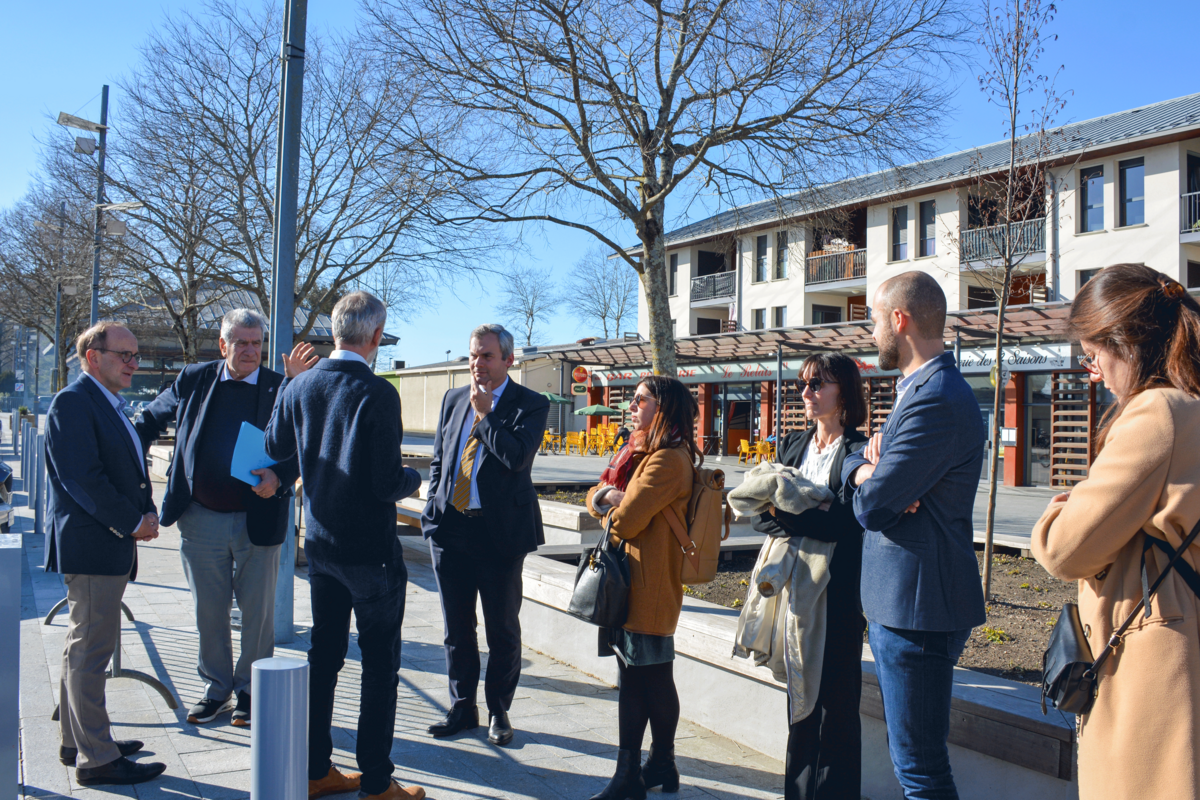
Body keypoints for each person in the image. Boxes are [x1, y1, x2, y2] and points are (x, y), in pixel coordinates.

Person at [1032, 264, 1200, 799]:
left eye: (1094, 355)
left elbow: (1064, 550)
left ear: (1126, 343)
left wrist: (1058, 509)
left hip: (1151, 661)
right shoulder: (1192, 406)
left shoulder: (1156, 413)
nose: (1093, 372)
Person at [264, 291, 425, 800]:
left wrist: (288, 385)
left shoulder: (300, 386)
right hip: (371, 554)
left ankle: (316, 770)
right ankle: (376, 781)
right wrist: (415, 477)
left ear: (333, 331)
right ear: (375, 336)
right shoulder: (378, 392)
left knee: (324, 657)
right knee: (379, 666)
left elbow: (273, 446)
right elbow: (385, 482)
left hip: (322, 547)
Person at [842, 271, 986, 800]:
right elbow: (858, 464)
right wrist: (866, 469)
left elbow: (873, 507)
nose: (871, 332)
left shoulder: (937, 397)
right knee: (913, 763)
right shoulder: (918, 390)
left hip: (918, 610)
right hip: (903, 605)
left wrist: (874, 483)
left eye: (874, 320)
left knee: (920, 769)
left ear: (899, 320)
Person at [137, 309, 308, 727]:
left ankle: (251, 690)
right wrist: (130, 477)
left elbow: (305, 443)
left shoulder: (281, 386)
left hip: (258, 519)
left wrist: (280, 477)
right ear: (222, 344)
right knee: (208, 613)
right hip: (201, 518)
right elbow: (147, 422)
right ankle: (216, 690)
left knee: (258, 616)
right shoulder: (195, 378)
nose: (250, 351)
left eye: (256, 343)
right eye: (241, 342)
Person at [44, 322, 167, 786]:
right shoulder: (74, 402)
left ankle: (77, 740)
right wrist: (133, 522)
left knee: (82, 646)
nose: (134, 363)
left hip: (104, 546)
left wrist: (146, 510)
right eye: (125, 355)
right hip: (93, 546)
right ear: (93, 357)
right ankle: (97, 758)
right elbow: (84, 480)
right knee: (91, 651)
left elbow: (126, 472)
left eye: (137, 355)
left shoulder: (105, 402)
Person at [421, 324, 550, 747]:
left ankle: (498, 709)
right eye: (473, 355)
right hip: (451, 529)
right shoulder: (453, 398)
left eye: (487, 356)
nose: (477, 363)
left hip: (500, 535)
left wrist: (486, 416)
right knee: (457, 629)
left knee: (502, 630)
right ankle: (462, 707)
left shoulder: (531, 403)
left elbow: (516, 458)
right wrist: (433, 510)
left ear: (508, 360)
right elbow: (441, 459)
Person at [752, 354, 868, 800]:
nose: (806, 392)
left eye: (817, 383)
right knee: (800, 700)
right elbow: (760, 513)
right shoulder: (793, 445)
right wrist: (810, 509)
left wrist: (789, 510)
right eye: (804, 383)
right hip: (794, 592)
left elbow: (844, 524)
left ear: (844, 392)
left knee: (837, 707)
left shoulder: (858, 450)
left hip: (837, 594)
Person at [584, 376, 699, 800]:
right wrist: (608, 496)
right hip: (634, 581)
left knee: (644, 680)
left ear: (662, 408)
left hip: (649, 586)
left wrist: (609, 501)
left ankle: (631, 775)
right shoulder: (639, 452)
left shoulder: (667, 460)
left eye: (640, 400)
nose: (631, 406)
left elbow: (627, 521)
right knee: (643, 677)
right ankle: (658, 765)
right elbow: (596, 494)